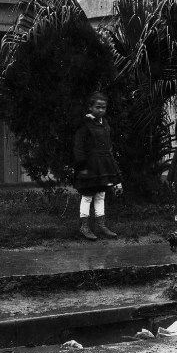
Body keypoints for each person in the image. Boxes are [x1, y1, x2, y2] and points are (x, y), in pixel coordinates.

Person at [73, 90, 123, 241]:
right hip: (90, 165)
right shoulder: (85, 125)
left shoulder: (105, 124)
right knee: (88, 195)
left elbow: (108, 146)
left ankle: (101, 225)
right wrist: (81, 164)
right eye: (98, 107)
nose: (101, 110)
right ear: (90, 107)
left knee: (101, 194)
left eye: (103, 107)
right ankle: (84, 226)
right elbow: (78, 146)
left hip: (104, 165)